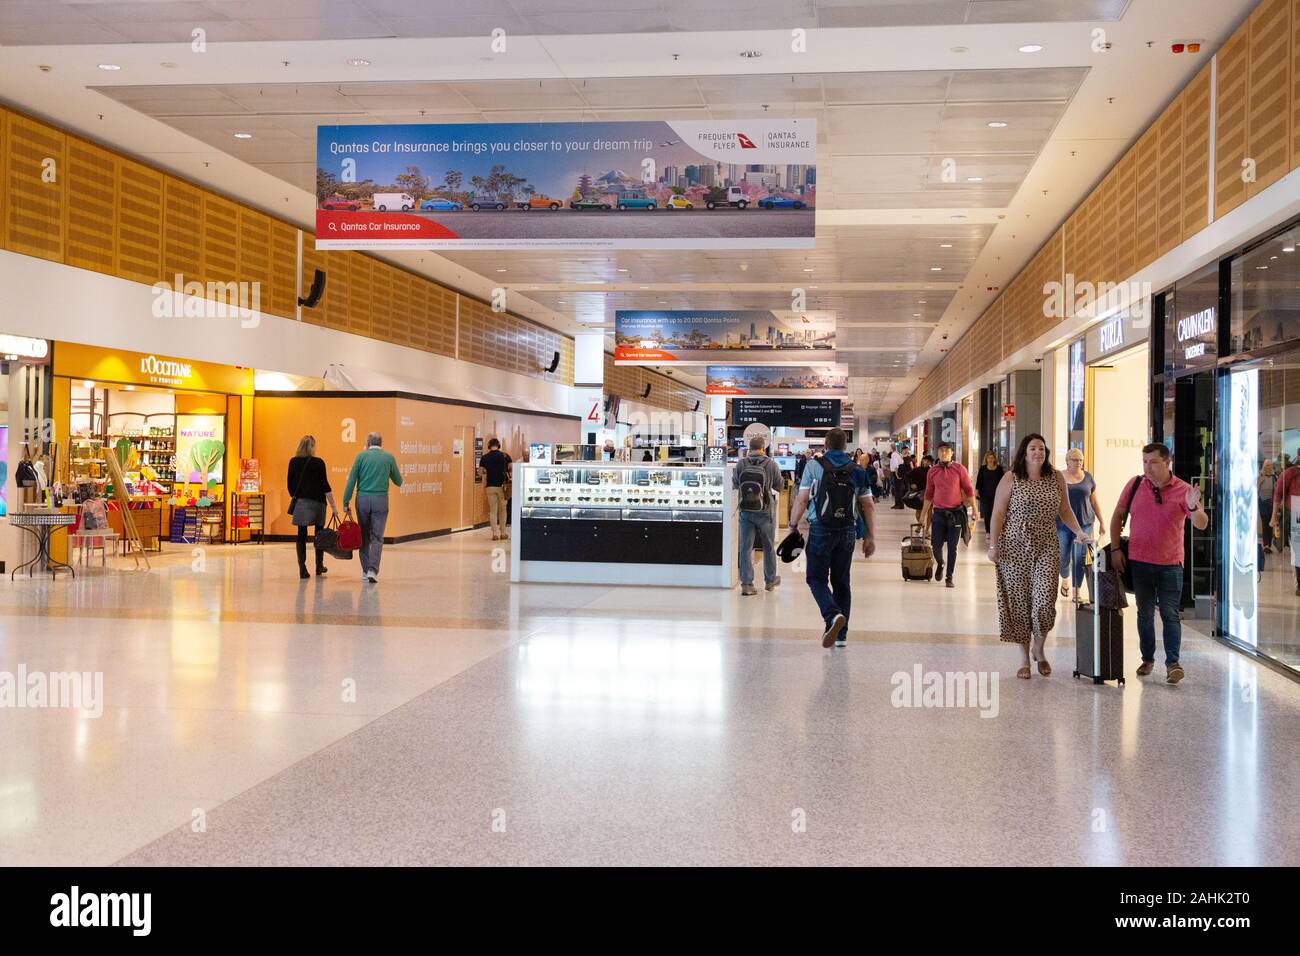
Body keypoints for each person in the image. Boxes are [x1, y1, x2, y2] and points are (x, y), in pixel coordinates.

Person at [988, 434, 1088, 680]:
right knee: (1020, 603)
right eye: (1032, 448)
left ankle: (1039, 649)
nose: (1037, 453)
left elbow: (1064, 510)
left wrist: (1079, 532)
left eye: (1041, 449)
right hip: (1014, 546)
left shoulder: (1055, 478)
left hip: (1046, 545)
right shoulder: (1012, 478)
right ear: (1024, 452)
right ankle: (1024, 658)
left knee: (1044, 603)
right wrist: (993, 545)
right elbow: (998, 513)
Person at [1109, 442, 1209, 683]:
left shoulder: (1183, 490)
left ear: (1167, 462)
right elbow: (1117, 516)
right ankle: (1148, 658)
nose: (1148, 467)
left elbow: (1202, 523)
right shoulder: (1135, 484)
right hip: (1139, 561)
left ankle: (1173, 663)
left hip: (1171, 564)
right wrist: (1114, 549)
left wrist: (1194, 506)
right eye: (1144, 462)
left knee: (1169, 614)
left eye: (1153, 462)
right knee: (1144, 613)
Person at [789, 427, 876, 648]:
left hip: (820, 529)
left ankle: (831, 615)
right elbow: (868, 505)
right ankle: (841, 636)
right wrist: (869, 536)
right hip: (847, 530)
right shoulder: (857, 469)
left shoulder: (813, 466)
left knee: (816, 578)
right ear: (845, 446)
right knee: (841, 581)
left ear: (825, 445)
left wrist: (792, 526)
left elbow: (801, 500)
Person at [342, 431, 403, 584]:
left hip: (362, 500)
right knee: (377, 537)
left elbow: (351, 481)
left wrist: (345, 501)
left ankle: (364, 570)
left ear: (368, 443)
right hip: (381, 500)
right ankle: (372, 570)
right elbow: (399, 481)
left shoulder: (360, 456)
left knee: (363, 536)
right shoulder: (388, 457)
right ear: (380, 443)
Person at [733, 434, 783, 596]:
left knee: (746, 548)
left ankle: (747, 584)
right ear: (763, 448)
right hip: (765, 511)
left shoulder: (741, 463)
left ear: (749, 448)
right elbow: (779, 486)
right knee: (768, 547)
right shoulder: (771, 464)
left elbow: (735, 483)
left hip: (745, 511)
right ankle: (770, 581)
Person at [921, 442, 975, 588]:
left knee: (953, 547)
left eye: (946, 450)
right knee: (935, 545)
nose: (944, 453)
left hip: (955, 514)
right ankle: (941, 563)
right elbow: (929, 494)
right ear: (938, 453)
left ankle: (949, 577)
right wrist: (923, 515)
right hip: (938, 513)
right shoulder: (932, 471)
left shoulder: (959, 469)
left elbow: (969, 490)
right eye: (941, 450)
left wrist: (975, 511)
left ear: (952, 453)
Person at [286, 435, 339, 579]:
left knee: (301, 535)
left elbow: (290, 486)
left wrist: (299, 495)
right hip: (318, 503)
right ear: (312, 447)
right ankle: (319, 565)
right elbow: (325, 485)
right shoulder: (319, 463)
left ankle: (302, 568)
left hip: (302, 503)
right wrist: (334, 507)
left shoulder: (293, 462)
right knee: (319, 535)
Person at [1057, 448, 1101, 598]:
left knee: (1079, 557)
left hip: (1085, 523)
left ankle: (1077, 591)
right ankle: (1065, 579)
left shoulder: (1088, 477)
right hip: (1063, 524)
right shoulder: (1059, 477)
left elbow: (1094, 501)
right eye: (1075, 460)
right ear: (1067, 461)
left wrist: (1102, 522)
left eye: (1081, 460)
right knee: (1063, 556)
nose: (1079, 463)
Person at [478, 439, 513, 541]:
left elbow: (481, 472)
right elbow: (511, 468)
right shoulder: (505, 456)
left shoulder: (484, 457)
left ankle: (495, 534)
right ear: (499, 445)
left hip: (490, 487)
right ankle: (503, 532)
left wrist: (488, 470)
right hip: (503, 487)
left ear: (489, 446)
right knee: (503, 510)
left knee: (493, 511)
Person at [1271, 455, 1299, 566]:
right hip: (1294, 511)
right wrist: (1274, 515)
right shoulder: (1290, 473)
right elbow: (1278, 494)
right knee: (1297, 550)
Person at [974, 451, 1004, 535]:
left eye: (992, 458)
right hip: (985, 495)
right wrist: (976, 491)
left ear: (995, 459)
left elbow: (1002, 481)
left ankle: (994, 531)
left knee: (995, 514)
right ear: (986, 459)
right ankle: (988, 531)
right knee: (987, 514)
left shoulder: (999, 469)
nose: (990, 459)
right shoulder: (983, 468)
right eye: (988, 458)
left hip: (996, 495)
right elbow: (979, 481)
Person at [1258, 459, 1277, 554]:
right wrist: (1260, 482)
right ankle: (1265, 545)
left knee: (1271, 524)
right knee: (1265, 524)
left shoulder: (1274, 477)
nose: (1269, 467)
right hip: (1262, 503)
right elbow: (1255, 488)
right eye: (1267, 465)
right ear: (1264, 466)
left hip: (1272, 503)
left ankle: (1269, 545)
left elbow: (1277, 491)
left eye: (1270, 465)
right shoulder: (1260, 476)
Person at [908, 455, 933, 524]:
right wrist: (912, 483)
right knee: (918, 512)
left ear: (930, 462)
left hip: (930, 494)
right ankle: (921, 525)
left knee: (929, 513)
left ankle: (927, 530)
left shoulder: (932, 471)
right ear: (922, 460)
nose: (926, 462)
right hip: (919, 494)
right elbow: (907, 476)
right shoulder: (917, 470)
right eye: (925, 460)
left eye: (928, 461)